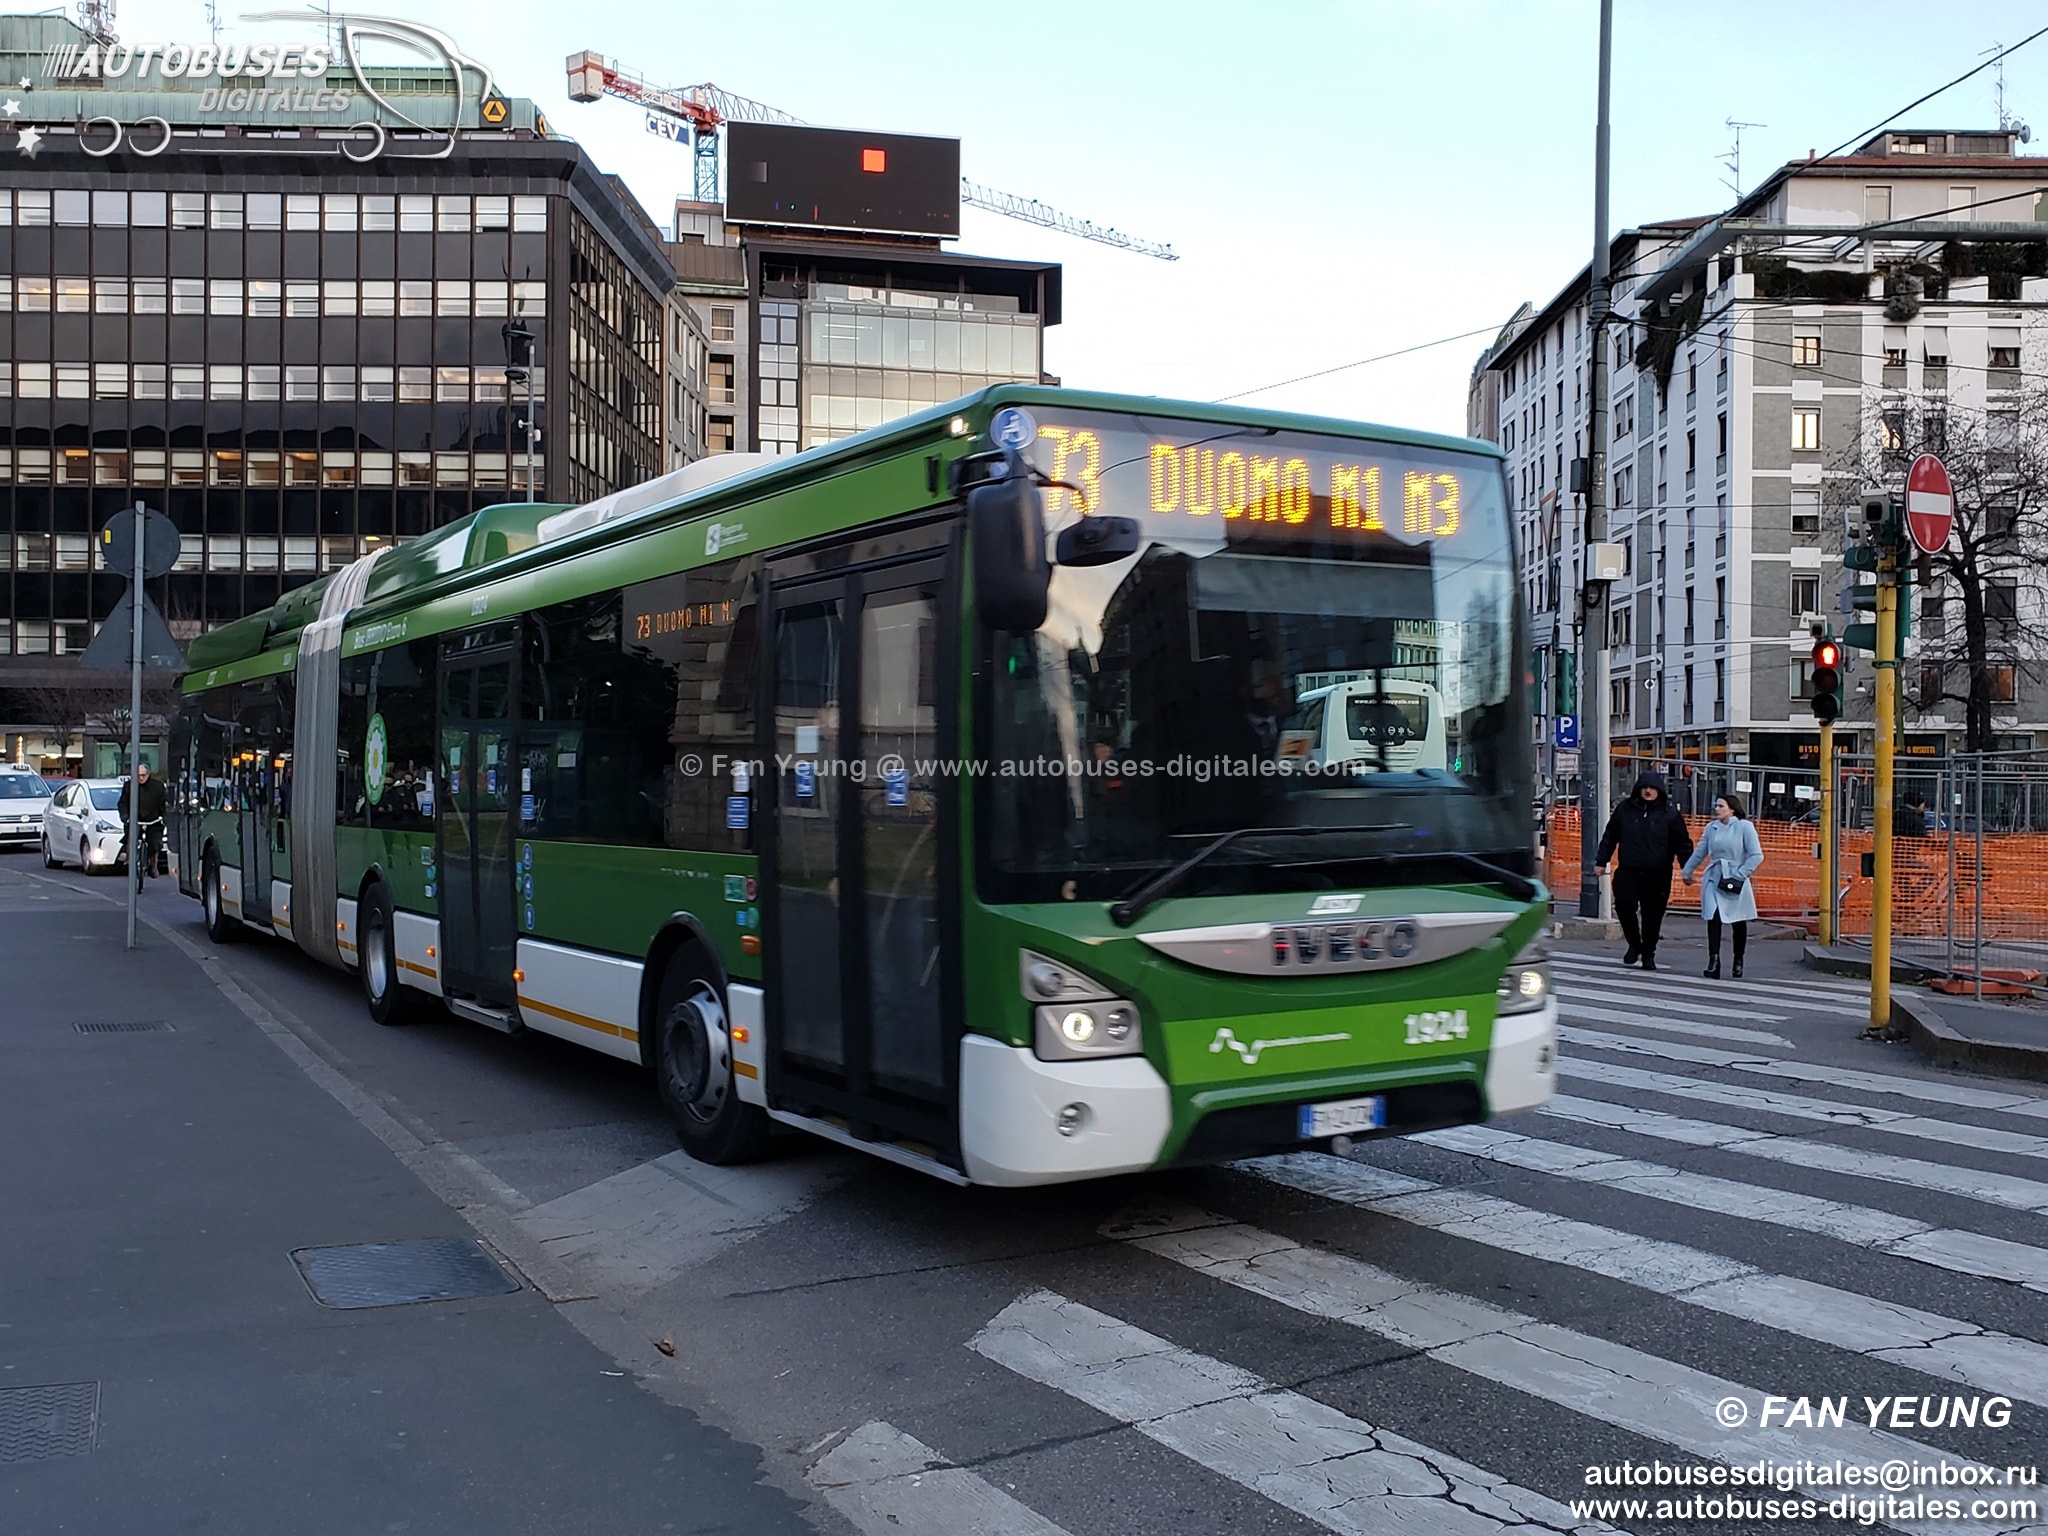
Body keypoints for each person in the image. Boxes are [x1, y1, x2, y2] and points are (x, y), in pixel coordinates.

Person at [1594, 770, 1693, 971]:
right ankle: (1634, 944)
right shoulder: (1625, 810)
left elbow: (1682, 843)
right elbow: (1610, 836)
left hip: (1658, 872)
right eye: (1644, 788)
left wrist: (1687, 869)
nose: (1647, 791)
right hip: (1629, 869)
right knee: (1623, 905)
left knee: (1653, 915)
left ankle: (1648, 953)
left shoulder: (1670, 814)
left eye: (1652, 788)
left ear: (1660, 790)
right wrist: (1601, 861)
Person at [1682, 792, 1765, 978]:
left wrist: (1740, 874)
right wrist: (1687, 872)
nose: (1717, 809)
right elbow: (1700, 852)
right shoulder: (1711, 828)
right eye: (1716, 805)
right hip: (1714, 876)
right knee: (1714, 917)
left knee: (1738, 920)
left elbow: (1756, 855)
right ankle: (1714, 961)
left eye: (1721, 806)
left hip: (1736, 877)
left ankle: (1738, 959)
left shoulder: (1745, 827)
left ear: (1732, 809)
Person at [117, 760, 168, 886]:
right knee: (131, 837)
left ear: (148, 774)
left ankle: (153, 865)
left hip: (153, 820)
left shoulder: (158, 786)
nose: (140, 778)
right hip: (135, 820)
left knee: (155, 842)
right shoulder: (129, 786)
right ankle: (130, 858)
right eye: (138, 776)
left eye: (143, 775)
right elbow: (123, 802)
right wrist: (126, 817)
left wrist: (163, 817)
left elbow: (164, 804)